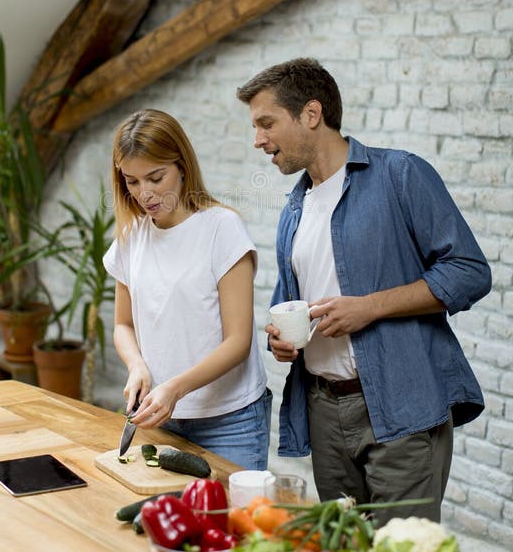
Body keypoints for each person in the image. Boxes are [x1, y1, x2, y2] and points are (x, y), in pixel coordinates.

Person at [236, 58, 491, 522]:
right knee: (344, 551)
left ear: (311, 113)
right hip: (322, 410)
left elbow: (469, 271)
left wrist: (370, 307)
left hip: (398, 405)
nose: (258, 139)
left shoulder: (400, 175)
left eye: (266, 123)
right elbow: (288, 302)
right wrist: (280, 339)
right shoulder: (295, 208)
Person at [103, 108, 271, 470]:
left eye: (155, 177)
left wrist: (175, 389)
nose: (145, 194)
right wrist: (136, 365)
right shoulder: (131, 237)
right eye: (132, 182)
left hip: (230, 422)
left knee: (231, 509)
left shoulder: (221, 229)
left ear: (181, 166)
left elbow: (238, 342)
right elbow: (123, 325)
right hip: (161, 416)